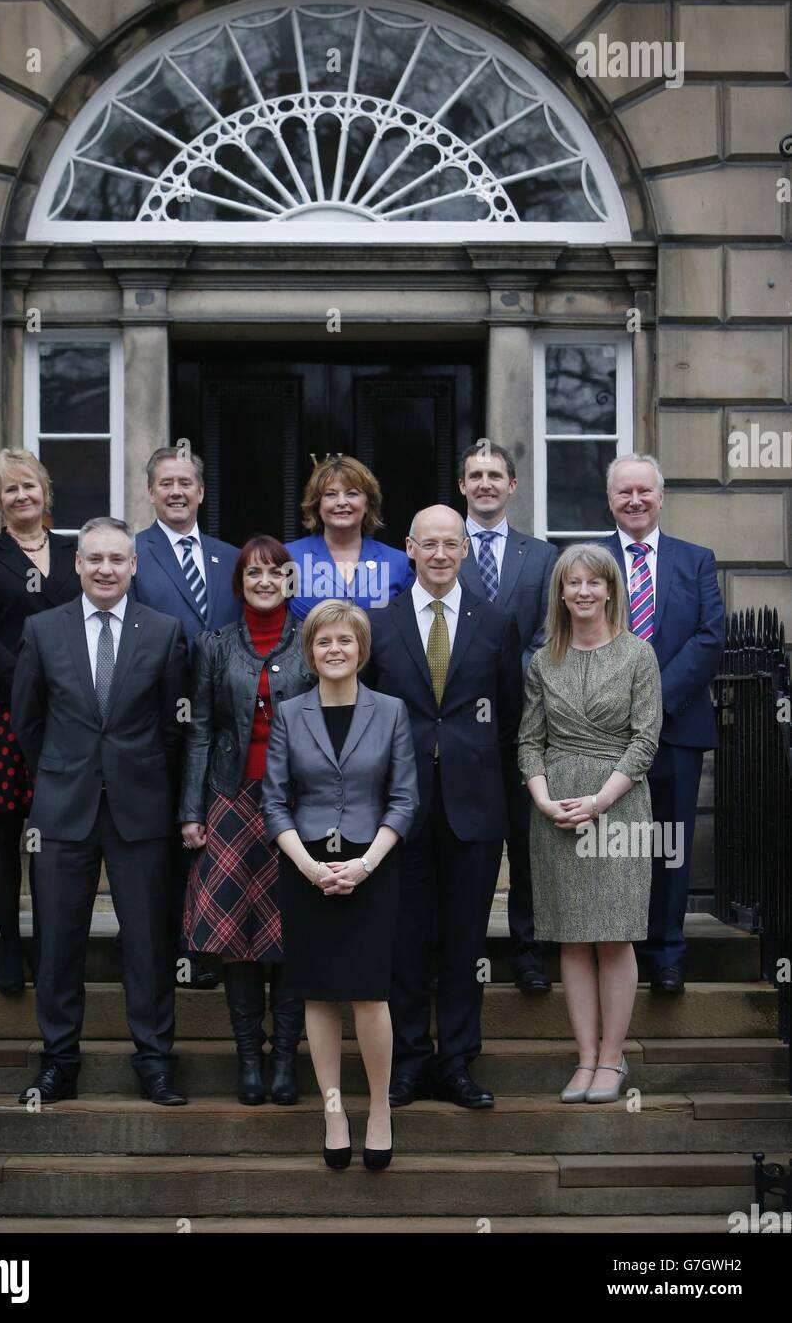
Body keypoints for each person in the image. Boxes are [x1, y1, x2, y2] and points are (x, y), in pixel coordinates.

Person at [11, 517, 189, 1106]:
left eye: (118, 559)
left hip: (141, 810)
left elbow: (173, 728)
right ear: (78, 566)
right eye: (95, 559)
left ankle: (155, 1061)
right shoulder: (42, 630)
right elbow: (26, 723)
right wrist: (65, 772)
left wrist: (132, 775)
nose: (106, 569)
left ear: (133, 566)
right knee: (59, 943)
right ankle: (60, 1063)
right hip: (63, 810)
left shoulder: (164, 633)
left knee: (147, 942)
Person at [366, 506, 522, 1110]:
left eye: (449, 545)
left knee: (464, 940)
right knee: (403, 938)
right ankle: (408, 1061)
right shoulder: (379, 624)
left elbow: (507, 718)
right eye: (427, 544)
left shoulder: (497, 621)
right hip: (399, 808)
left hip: (474, 807)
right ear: (409, 548)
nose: (438, 554)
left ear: (464, 551)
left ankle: (456, 1061)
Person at [262, 601, 418, 1170]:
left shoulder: (392, 712)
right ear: (310, 651)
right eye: (323, 641)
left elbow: (404, 799)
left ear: (361, 649)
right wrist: (309, 867)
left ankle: (380, 1108)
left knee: (370, 992)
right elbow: (274, 801)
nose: (334, 650)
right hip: (306, 866)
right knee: (318, 991)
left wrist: (365, 865)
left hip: (371, 864)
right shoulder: (289, 713)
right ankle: (333, 1109)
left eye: (345, 641)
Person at [518, 544, 662, 1103]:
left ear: (609, 590)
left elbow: (645, 739)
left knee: (613, 934)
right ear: (560, 592)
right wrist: (543, 799)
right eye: (571, 583)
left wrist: (600, 800)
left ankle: (612, 1057)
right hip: (556, 811)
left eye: (592, 583)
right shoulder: (542, 661)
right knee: (572, 939)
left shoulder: (637, 655)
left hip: (618, 804)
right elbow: (529, 740)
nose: (581, 592)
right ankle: (584, 1059)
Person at [180, 536, 316, 1107]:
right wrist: (191, 809)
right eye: (253, 573)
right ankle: (248, 1057)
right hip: (230, 799)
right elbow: (201, 729)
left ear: (290, 581)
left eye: (275, 573)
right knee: (236, 931)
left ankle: (285, 1056)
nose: (264, 581)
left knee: (287, 929)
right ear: (239, 583)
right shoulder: (214, 646)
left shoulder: (312, 642)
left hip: (296, 804)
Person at [598, 454, 724, 993]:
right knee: (615, 845)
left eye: (644, 491)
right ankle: (617, 946)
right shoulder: (589, 559)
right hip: (605, 732)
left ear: (661, 495)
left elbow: (709, 636)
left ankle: (667, 954)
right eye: (624, 492)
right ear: (610, 500)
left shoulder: (696, 560)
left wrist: (653, 701)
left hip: (675, 725)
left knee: (670, 841)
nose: (634, 500)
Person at [0, 449, 80, 993]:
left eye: (29, 486)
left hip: (65, 712)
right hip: (0, 709)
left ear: (45, 493)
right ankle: (11, 943)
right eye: (10, 489)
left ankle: (47, 944)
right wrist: (30, 681)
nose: (21, 496)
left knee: (53, 830)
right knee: (4, 826)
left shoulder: (76, 553)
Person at [132, 446, 240, 989]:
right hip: (156, 720)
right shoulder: (133, 553)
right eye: (165, 483)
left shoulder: (231, 556)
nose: (176, 492)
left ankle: (211, 943)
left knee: (213, 834)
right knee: (169, 837)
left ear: (200, 491)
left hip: (220, 725)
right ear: (150, 492)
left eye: (186, 483)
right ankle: (175, 948)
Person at [457, 440, 558, 995]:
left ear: (512, 485)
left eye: (496, 474)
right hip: (462, 724)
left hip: (525, 721)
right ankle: (460, 948)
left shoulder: (540, 556)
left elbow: (546, 639)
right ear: (463, 486)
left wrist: (502, 673)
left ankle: (528, 951)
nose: (486, 483)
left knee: (526, 842)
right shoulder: (443, 549)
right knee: (468, 843)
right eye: (476, 475)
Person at [284, 455, 414, 621]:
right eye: (331, 495)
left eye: (352, 493)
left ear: (367, 504)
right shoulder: (289, 557)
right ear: (317, 505)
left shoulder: (398, 562)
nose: (341, 502)